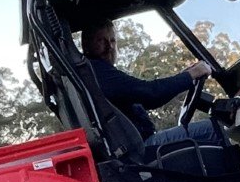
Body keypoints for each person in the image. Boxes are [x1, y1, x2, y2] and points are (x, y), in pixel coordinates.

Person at [80, 20, 226, 149]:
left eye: (112, 41)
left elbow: (146, 93)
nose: (109, 47)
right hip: (141, 151)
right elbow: (151, 93)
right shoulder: (98, 72)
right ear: (87, 46)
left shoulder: (94, 73)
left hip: (136, 148)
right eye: (101, 41)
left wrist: (184, 76)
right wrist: (191, 75)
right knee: (213, 128)